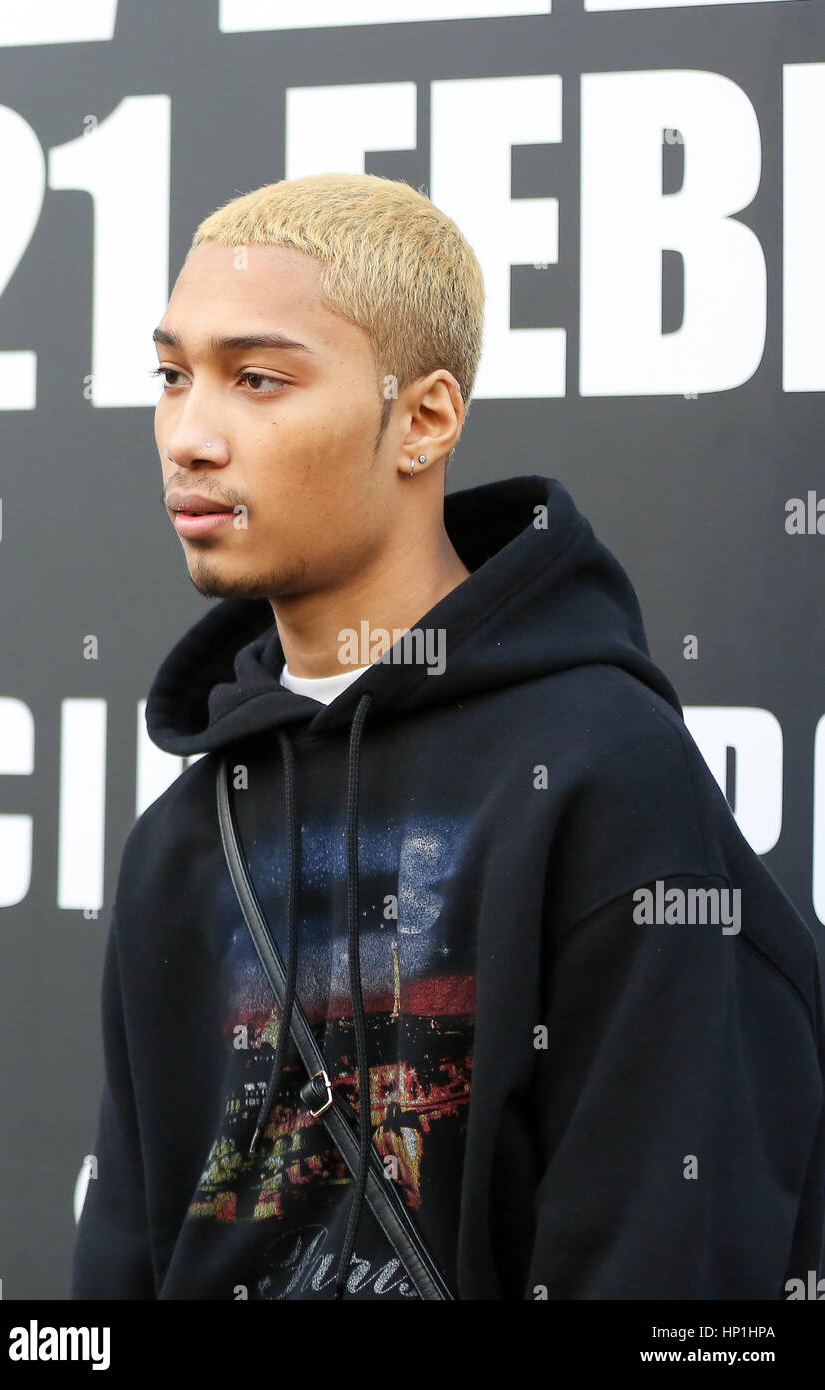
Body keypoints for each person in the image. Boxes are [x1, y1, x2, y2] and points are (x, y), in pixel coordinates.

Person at [71, 171, 825, 1301]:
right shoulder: (186, 831)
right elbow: (124, 1264)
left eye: (258, 379)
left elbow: (666, 1256)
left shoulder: (604, 775)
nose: (188, 434)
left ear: (421, 418)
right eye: (173, 376)